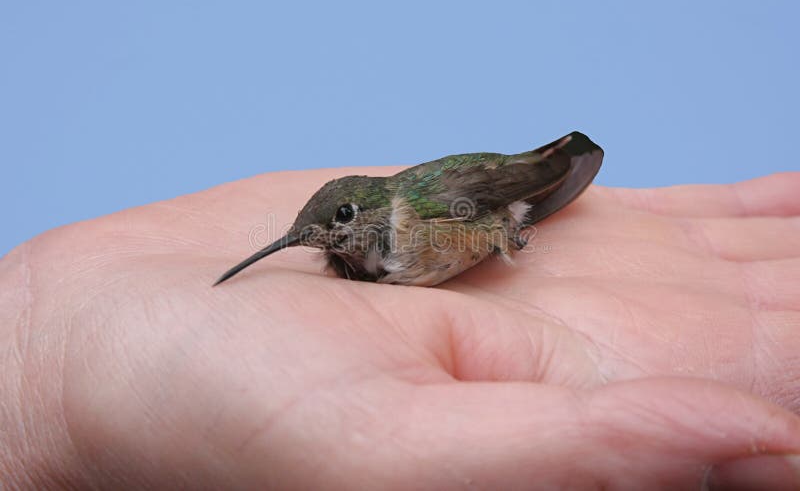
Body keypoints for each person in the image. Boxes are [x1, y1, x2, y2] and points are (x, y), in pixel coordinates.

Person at [2, 167, 799, 489]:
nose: (320, 239)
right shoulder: (351, 254)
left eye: (337, 222)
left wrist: (511, 214)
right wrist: (46, 343)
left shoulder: (419, 213)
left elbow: (481, 196)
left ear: (368, 212)